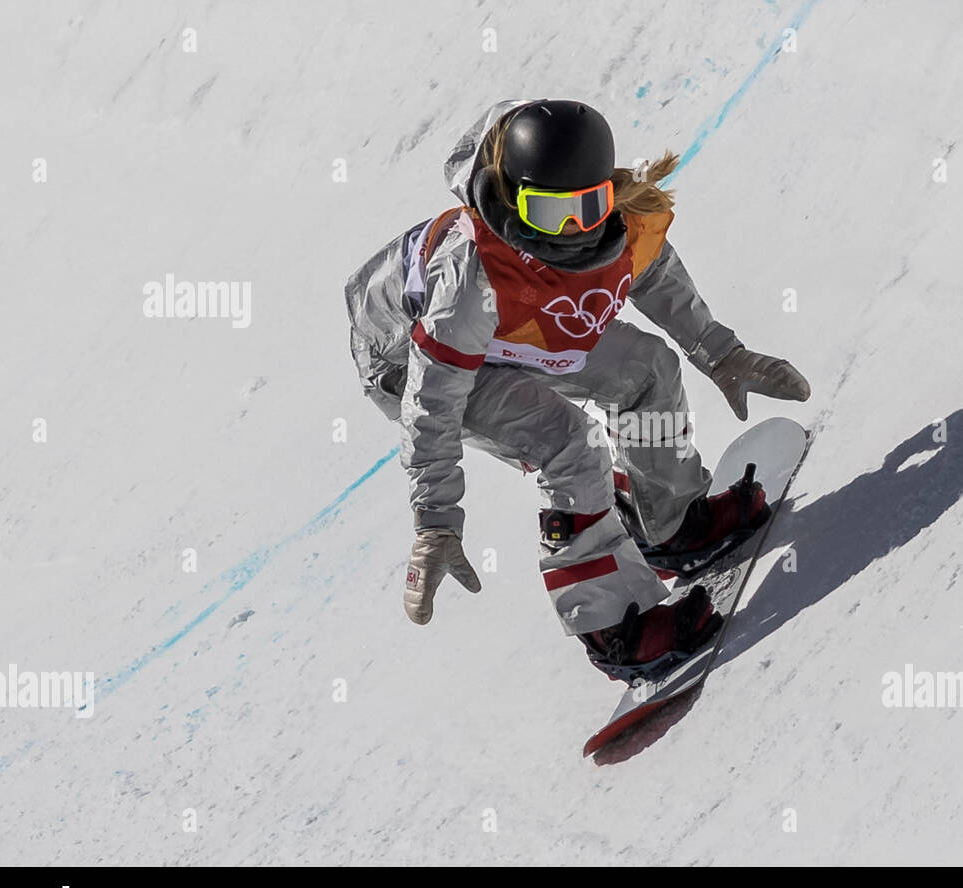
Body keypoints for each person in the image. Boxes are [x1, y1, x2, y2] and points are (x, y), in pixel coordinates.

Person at [346, 99, 810, 680]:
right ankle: (613, 625)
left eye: (588, 208)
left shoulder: (619, 223)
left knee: (646, 369)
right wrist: (436, 518)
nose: (572, 232)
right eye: (549, 212)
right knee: (567, 442)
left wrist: (721, 353)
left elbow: (652, 271)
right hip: (406, 357)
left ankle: (668, 521)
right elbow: (431, 401)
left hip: (516, 321)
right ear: (512, 200)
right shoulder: (470, 276)